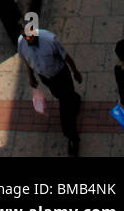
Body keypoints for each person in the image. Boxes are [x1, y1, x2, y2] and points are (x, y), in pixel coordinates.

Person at [17, 23, 83, 156]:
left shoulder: (50, 40)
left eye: (30, 36)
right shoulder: (21, 43)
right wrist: (31, 77)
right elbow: (27, 60)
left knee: (65, 109)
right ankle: (75, 99)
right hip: (46, 78)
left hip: (61, 76)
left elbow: (66, 56)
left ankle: (72, 136)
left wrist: (75, 71)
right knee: (61, 95)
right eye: (25, 36)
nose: (28, 39)